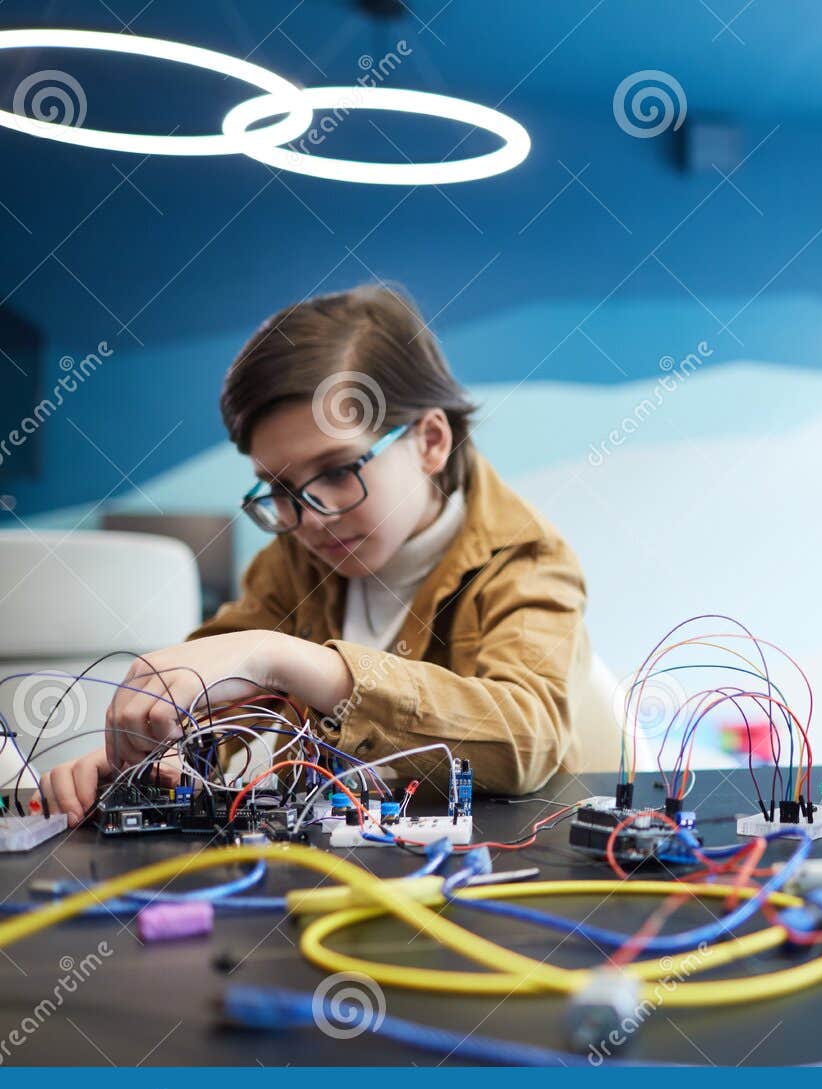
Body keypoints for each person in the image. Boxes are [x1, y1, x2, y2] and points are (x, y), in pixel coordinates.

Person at [43, 283, 591, 823]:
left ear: (430, 441)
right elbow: (217, 700)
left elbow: (528, 737)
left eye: (337, 470)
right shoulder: (293, 559)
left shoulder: (528, 560)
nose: (310, 517)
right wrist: (151, 756)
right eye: (280, 488)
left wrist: (281, 658)